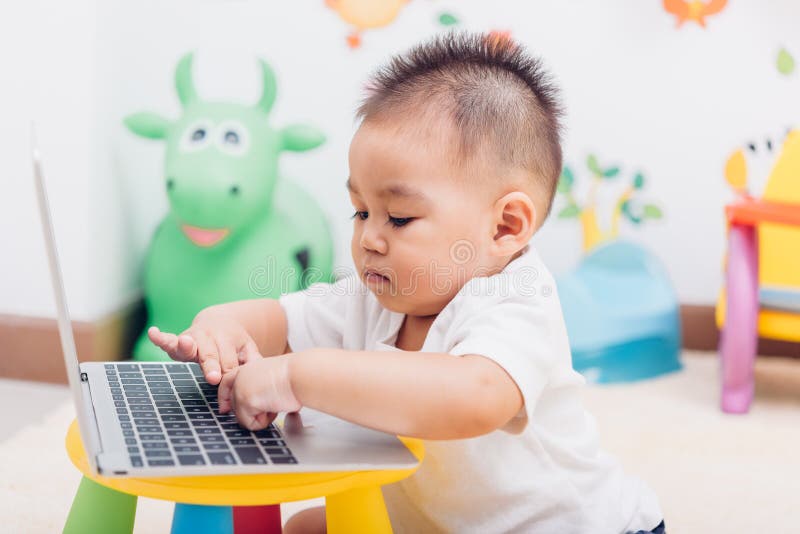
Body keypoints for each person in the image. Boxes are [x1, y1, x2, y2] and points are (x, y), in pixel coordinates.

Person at [149, 31, 664, 534]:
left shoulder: (516, 299)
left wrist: (296, 377)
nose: (369, 239)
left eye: (398, 218)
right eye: (360, 211)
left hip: (575, 525)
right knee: (306, 526)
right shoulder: (377, 294)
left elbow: (475, 397)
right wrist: (222, 326)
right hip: (431, 520)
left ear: (505, 227)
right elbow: (280, 320)